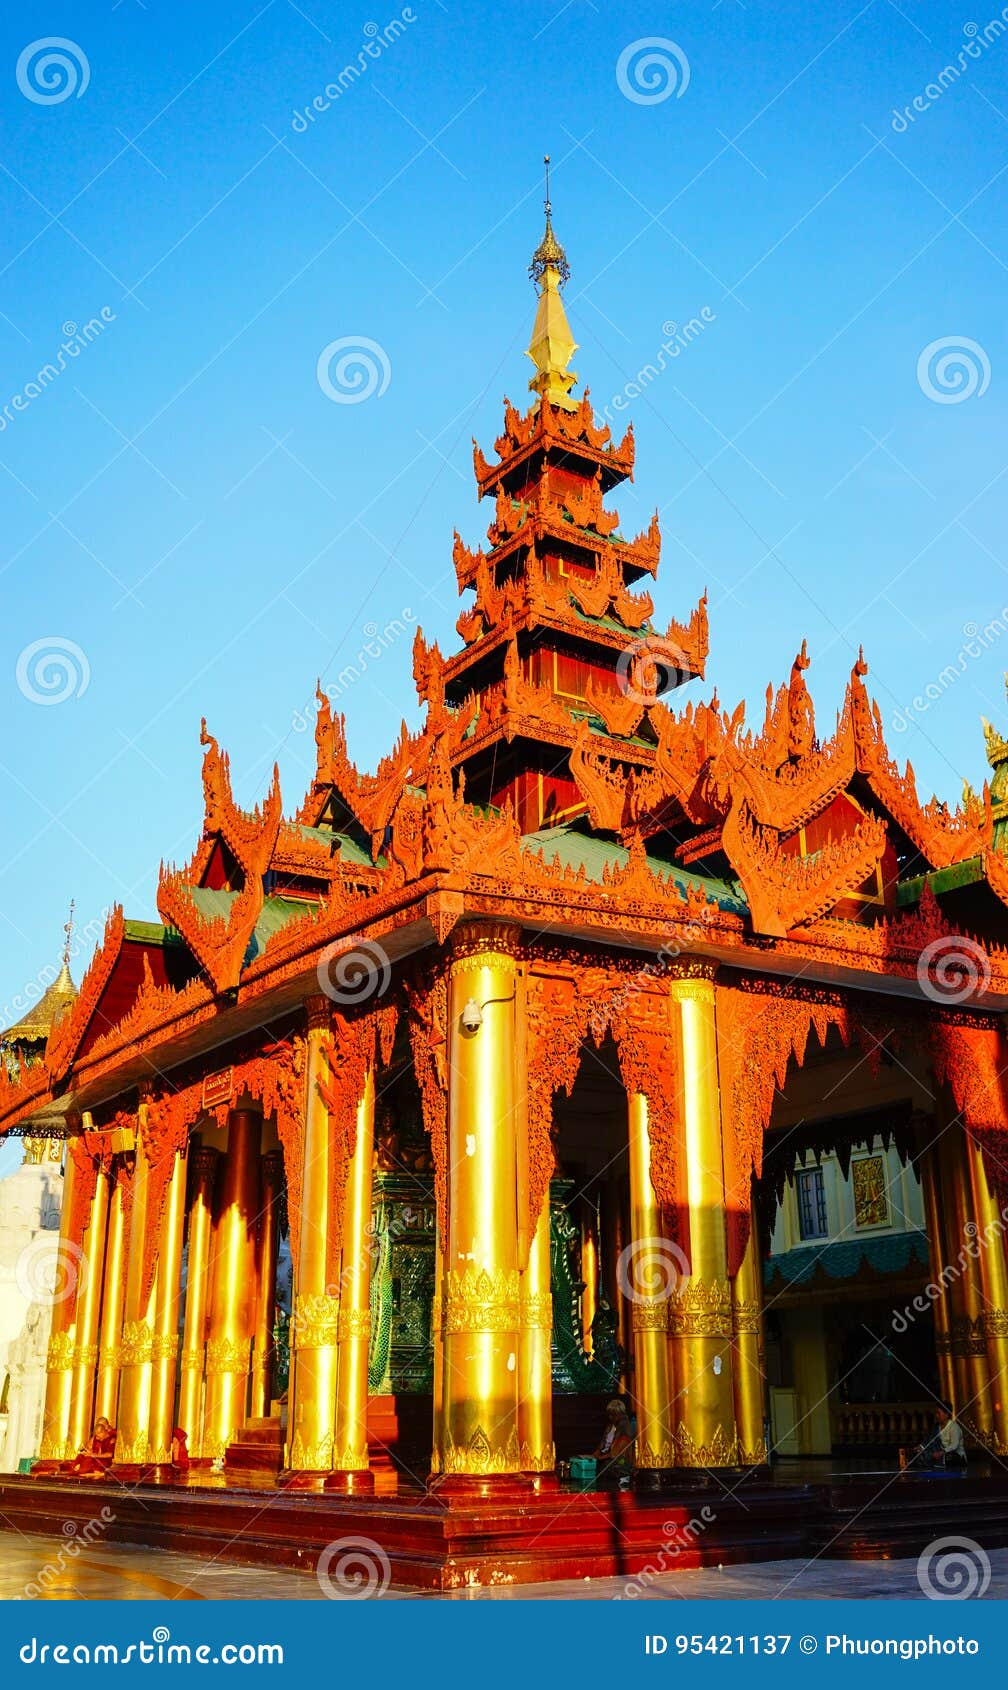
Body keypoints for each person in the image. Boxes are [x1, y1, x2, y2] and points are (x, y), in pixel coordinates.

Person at [592, 1397, 635, 1487]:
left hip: (621, 1461)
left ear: (620, 1414)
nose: (611, 1417)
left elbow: (616, 1453)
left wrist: (600, 1458)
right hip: (607, 1457)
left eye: (614, 1415)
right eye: (610, 1415)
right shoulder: (610, 1426)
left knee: (610, 1466)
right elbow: (602, 1444)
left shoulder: (625, 1427)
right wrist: (596, 1453)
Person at [914, 1403, 967, 1470]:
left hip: (954, 1456)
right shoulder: (936, 1427)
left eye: (939, 1413)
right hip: (940, 1453)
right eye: (936, 1413)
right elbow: (929, 1440)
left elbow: (954, 1445)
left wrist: (941, 1453)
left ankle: (935, 1462)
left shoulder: (954, 1427)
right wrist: (921, 1447)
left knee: (949, 1458)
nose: (936, 1415)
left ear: (947, 1414)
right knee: (922, 1452)